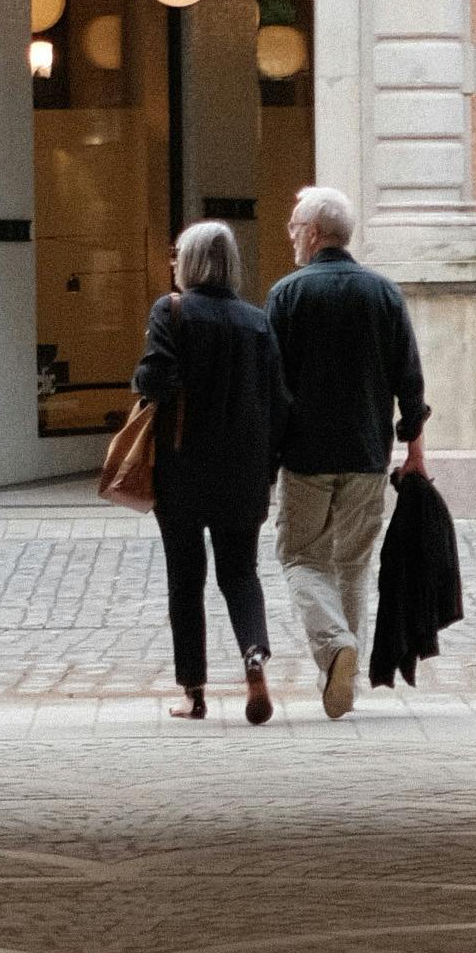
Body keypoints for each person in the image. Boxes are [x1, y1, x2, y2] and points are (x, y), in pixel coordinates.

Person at [263, 182, 426, 719]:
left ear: (311, 234)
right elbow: (410, 381)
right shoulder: (383, 293)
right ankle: (344, 676)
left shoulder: (288, 294)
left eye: (293, 228)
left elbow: (271, 386)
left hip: (304, 455)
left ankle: (336, 646)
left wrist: (265, 456)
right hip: (366, 453)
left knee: (301, 558)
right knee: (354, 563)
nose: (291, 236)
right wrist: (414, 452)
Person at [132, 216, 279, 722]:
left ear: (189, 263)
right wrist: (269, 469)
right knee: (241, 573)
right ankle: (254, 654)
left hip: (182, 468)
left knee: (185, 577)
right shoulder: (258, 321)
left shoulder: (170, 311)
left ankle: (193, 692)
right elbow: (276, 402)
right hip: (243, 472)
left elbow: (154, 379)